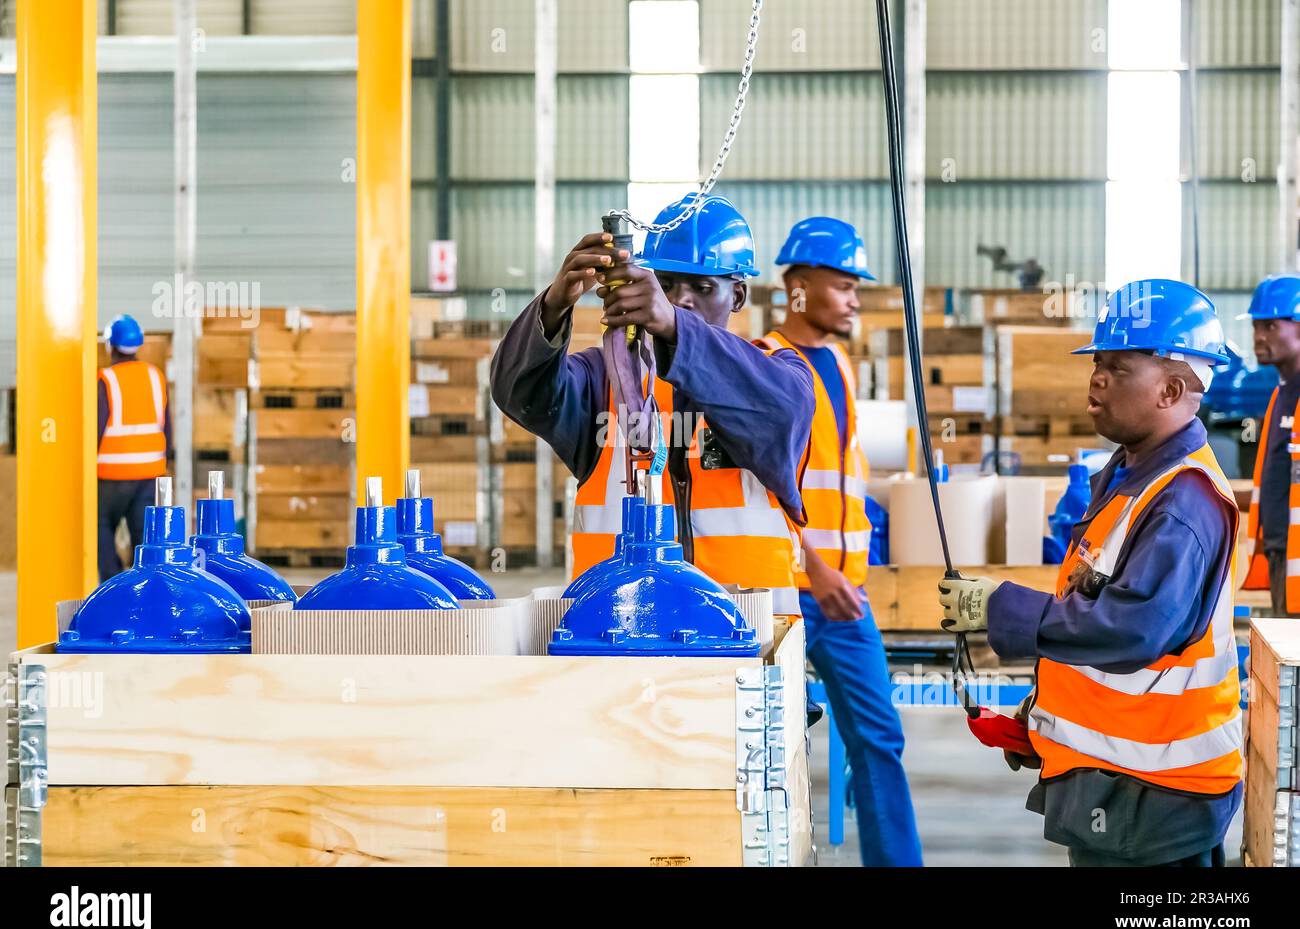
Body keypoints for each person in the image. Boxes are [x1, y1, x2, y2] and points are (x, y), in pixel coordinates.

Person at [937, 279, 1242, 867]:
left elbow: (1130, 629)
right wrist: (1045, 717)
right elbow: (1091, 608)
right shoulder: (1127, 477)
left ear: (1173, 389)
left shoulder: (1182, 504)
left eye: (1119, 368)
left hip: (1157, 794)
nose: (1096, 378)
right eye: (1096, 364)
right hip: (1122, 779)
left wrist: (998, 606)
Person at [489, 194, 814, 611]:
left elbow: (780, 411)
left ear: (737, 296)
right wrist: (554, 306)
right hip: (619, 630)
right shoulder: (602, 380)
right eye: (668, 284)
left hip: (746, 639)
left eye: (702, 287)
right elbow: (520, 393)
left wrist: (675, 326)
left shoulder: (779, 373)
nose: (680, 300)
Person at [755, 217, 921, 866]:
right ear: (798, 287)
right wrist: (815, 567)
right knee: (767, 745)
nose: (855, 298)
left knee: (879, 737)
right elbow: (759, 494)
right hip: (787, 595)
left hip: (844, 597)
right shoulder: (768, 365)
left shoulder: (842, 366)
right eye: (845, 285)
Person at [1238, 274, 1300, 616]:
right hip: (1282, 554)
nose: (1259, 337)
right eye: (1256, 327)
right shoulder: (1280, 395)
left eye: (1271, 327)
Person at [97, 313, 172, 582]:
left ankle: (112, 582)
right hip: (149, 474)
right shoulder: (155, 377)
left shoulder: (107, 380)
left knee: (100, 528)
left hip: (111, 476)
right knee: (144, 537)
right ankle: (144, 587)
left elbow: (98, 425)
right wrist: (166, 462)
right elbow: (167, 426)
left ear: (110, 345)